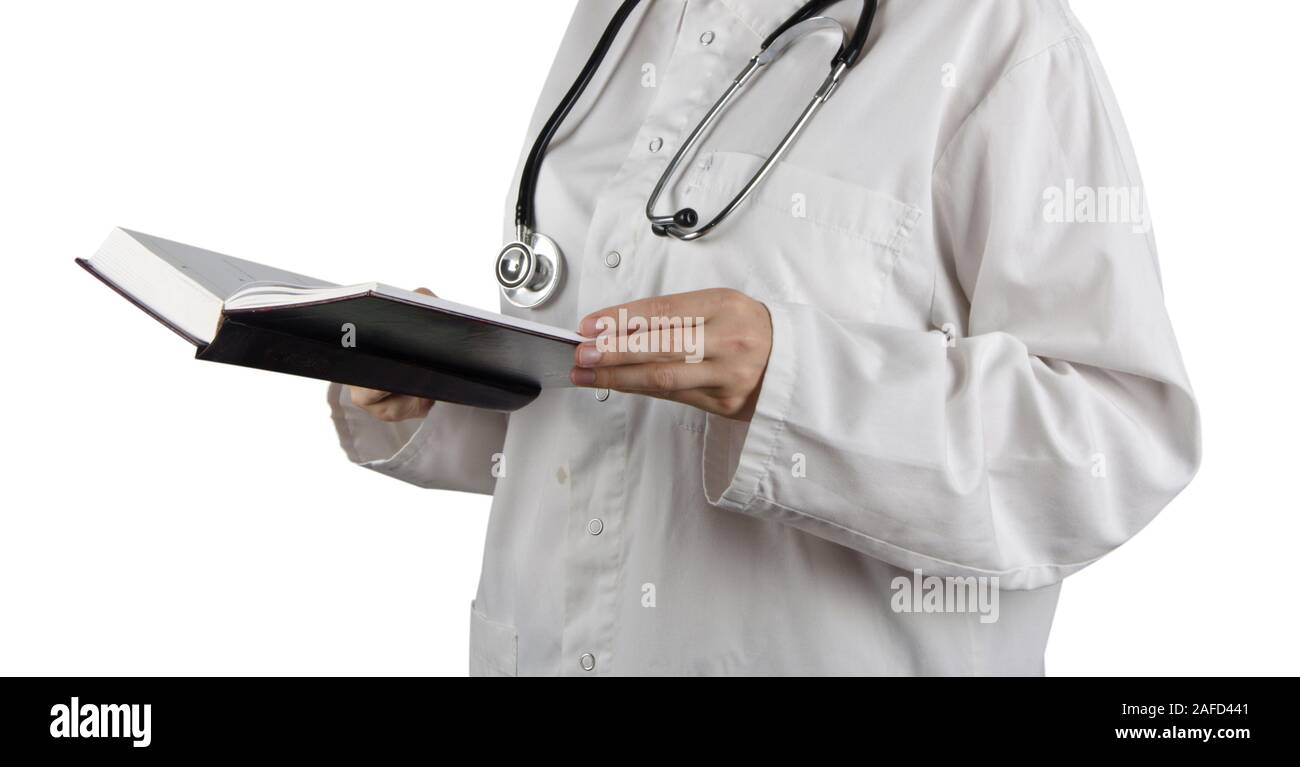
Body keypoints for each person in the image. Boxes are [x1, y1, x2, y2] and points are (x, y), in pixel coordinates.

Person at [328, 0, 1200, 675]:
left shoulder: (994, 36)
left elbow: (1119, 441)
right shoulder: (620, 22)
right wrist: (446, 383)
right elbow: (611, 394)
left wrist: (790, 384)